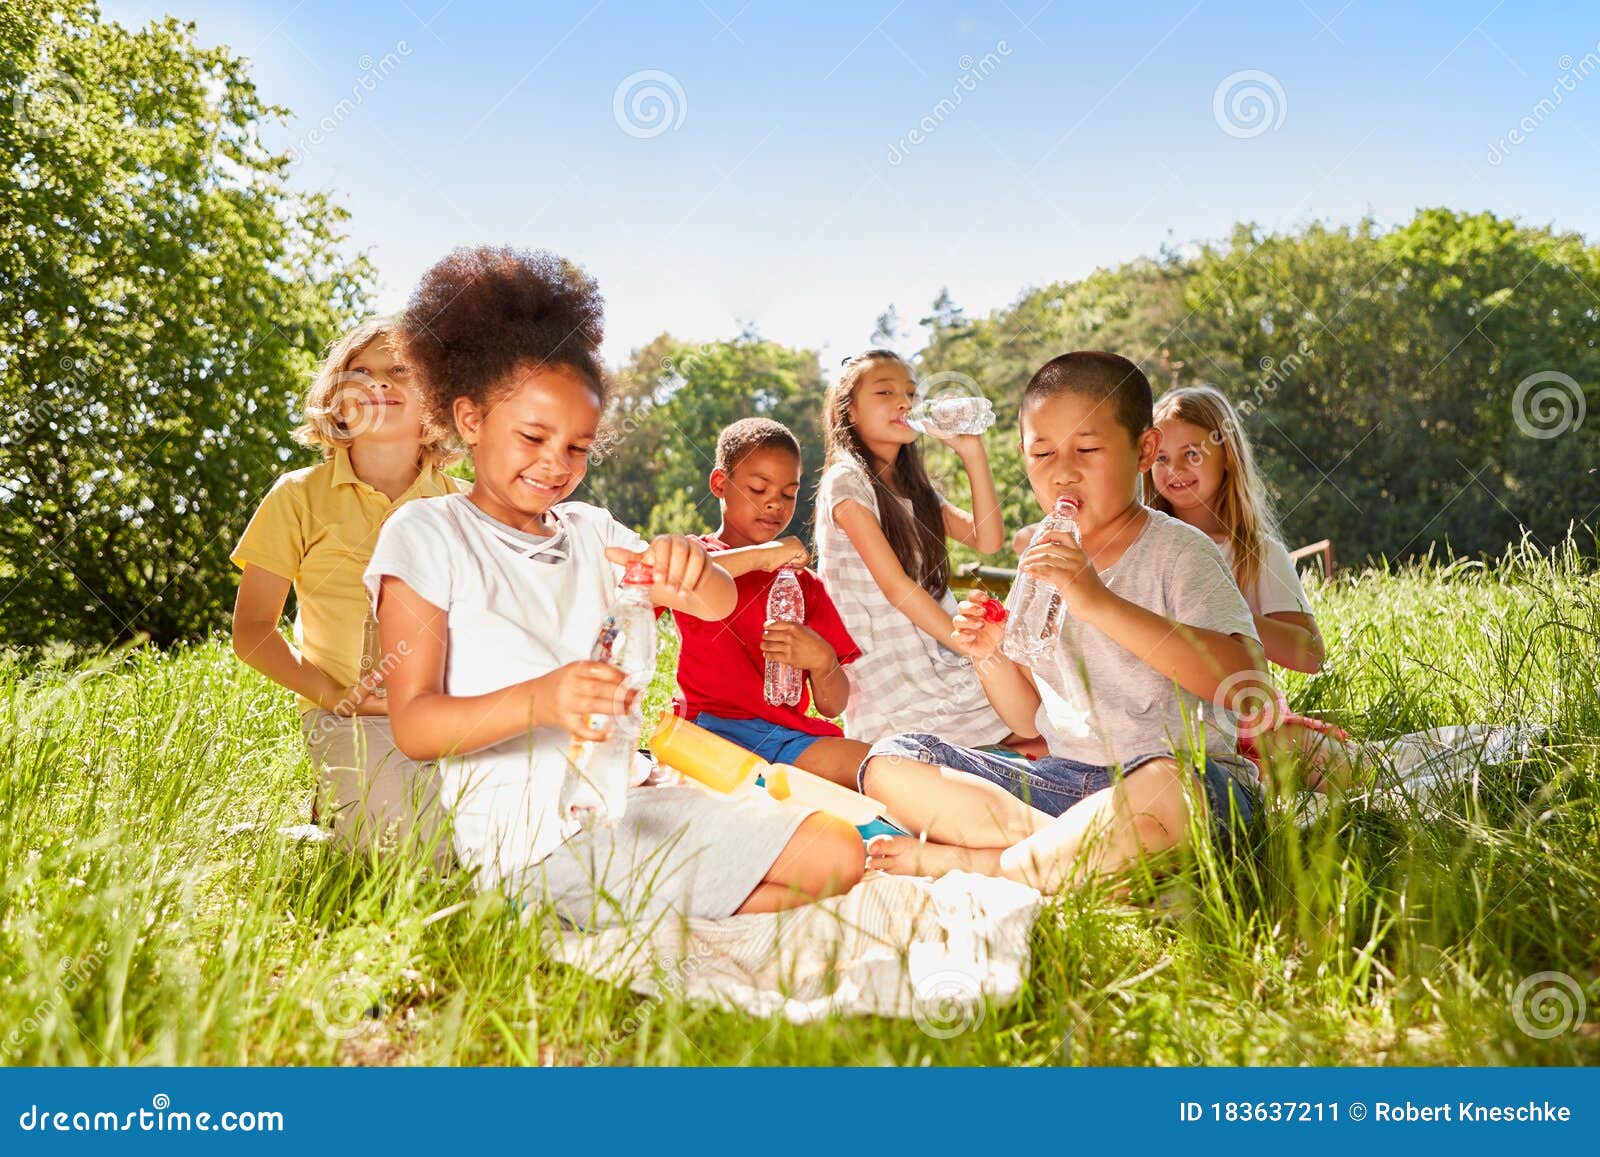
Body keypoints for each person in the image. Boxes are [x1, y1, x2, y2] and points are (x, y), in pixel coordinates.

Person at [366, 246, 863, 927]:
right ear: (471, 418)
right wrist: (542, 698)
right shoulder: (425, 533)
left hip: (627, 800)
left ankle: (677, 909)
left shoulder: (591, 530)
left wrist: (691, 571)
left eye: (577, 446)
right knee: (806, 876)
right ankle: (639, 908)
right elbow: (415, 723)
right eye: (534, 436)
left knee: (837, 848)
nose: (554, 464)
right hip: (534, 841)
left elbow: (711, 598)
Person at [861, 351, 1266, 893]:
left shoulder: (1179, 551)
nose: (1062, 471)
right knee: (890, 762)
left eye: (1088, 449)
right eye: (1042, 453)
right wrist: (990, 655)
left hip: (1181, 777)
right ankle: (1074, 853)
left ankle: (994, 866)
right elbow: (1030, 720)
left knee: (1166, 790)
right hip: (1067, 782)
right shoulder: (1041, 564)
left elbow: (1247, 681)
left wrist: (1098, 601)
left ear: (1144, 450)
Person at [230, 316, 462, 864]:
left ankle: (334, 826)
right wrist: (333, 697)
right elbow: (253, 631)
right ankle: (315, 837)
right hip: (349, 718)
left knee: (507, 834)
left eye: (399, 371)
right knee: (407, 855)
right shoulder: (298, 496)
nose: (379, 383)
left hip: (447, 717)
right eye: (361, 372)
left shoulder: (465, 506)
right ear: (337, 401)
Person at [1146, 384, 1355, 791]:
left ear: (1227, 456)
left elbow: (1310, 654)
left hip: (1243, 720)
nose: (1174, 470)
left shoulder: (1256, 554)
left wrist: (1230, 615)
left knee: (1323, 760)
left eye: (1191, 454)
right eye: (1161, 459)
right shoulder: (1142, 549)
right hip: (1161, 725)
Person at [814, 350, 1011, 746]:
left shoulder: (916, 490)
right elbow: (895, 586)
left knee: (1041, 715)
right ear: (849, 411)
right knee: (1027, 728)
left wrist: (971, 451)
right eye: (884, 393)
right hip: (891, 673)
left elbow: (988, 539)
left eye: (910, 392)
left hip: (939, 658)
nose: (904, 402)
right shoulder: (846, 482)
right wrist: (969, 645)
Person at [672, 417, 869, 789]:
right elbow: (687, 577)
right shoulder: (701, 554)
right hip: (708, 732)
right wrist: (765, 555)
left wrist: (823, 661)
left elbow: (833, 705)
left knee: (875, 767)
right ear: (720, 484)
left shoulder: (803, 585)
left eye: (789, 494)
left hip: (788, 739)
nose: (774, 504)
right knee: (746, 795)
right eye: (758, 488)